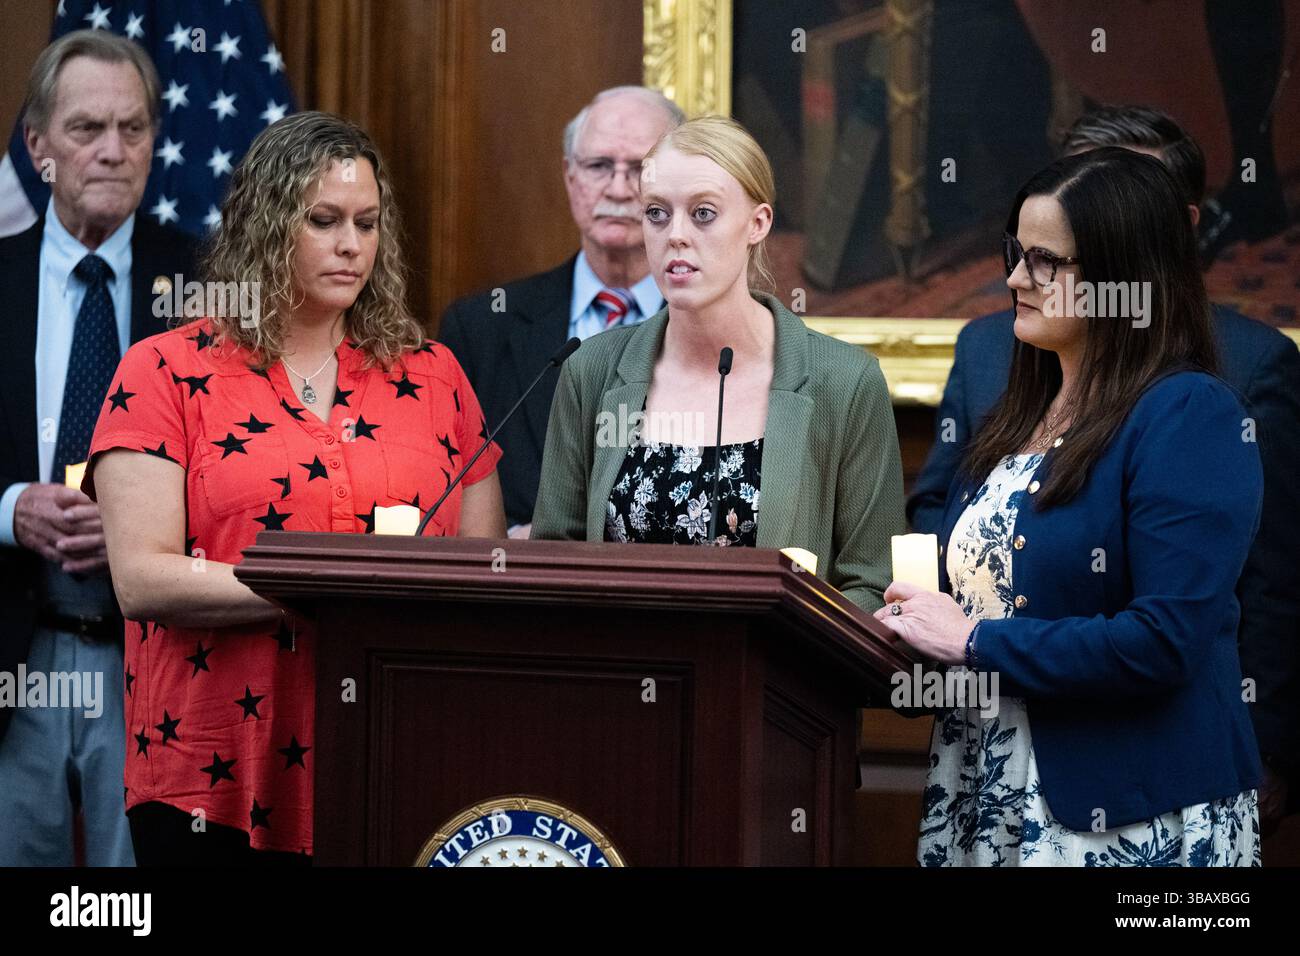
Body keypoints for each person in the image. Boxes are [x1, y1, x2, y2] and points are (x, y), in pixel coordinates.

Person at [81, 111, 506, 864]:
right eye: (324, 220)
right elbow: (142, 579)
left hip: (398, 756)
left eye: (368, 223)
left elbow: (484, 573)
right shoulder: (165, 370)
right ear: (267, 225)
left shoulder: (435, 375)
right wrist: (337, 584)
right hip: (211, 778)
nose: (352, 245)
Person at [907, 104, 1300, 834]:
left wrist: (970, 641)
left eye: (1046, 261)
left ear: (1122, 276)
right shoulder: (1025, 406)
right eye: (1014, 253)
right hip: (985, 779)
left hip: (1126, 805)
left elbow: (1162, 641)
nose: (1017, 278)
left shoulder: (1192, 414)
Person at [531, 116, 905, 611]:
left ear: (758, 223)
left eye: (703, 213)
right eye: (657, 214)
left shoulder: (845, 382)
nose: (676, 236)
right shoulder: (592, 371)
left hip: (772, 681)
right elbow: (553, 561)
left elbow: (873, 584)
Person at [0, 29, 196, 867]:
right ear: (38, 146)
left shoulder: (210, 285)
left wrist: (144, 523)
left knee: (132, 903)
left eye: (135, 128)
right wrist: (9, 509)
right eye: (87, 130)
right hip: (16, 644)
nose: (114, 152)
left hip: (155, 656)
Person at [439, 87, 684, 538]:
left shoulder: (718, 332)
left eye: (640, 170)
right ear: (571, 177)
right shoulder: (481, 328)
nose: (617, 188)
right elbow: (449, 495)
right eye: (598, 166)